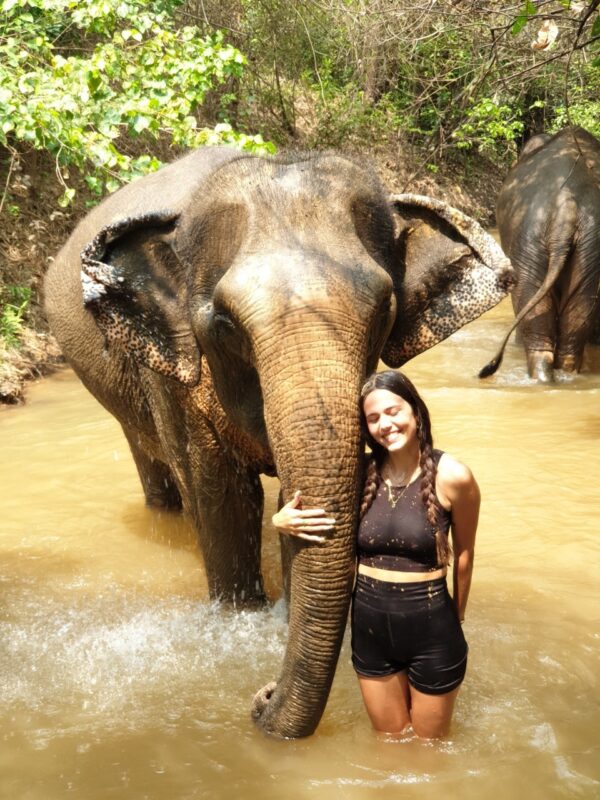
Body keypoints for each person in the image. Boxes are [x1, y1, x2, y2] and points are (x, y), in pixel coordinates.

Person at [272, 369, 480, 739]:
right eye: (373, 419)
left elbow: (464, 552)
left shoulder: (453, 476)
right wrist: (280, 519)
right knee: (389, 746)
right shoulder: (361, 473)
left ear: (416, 411)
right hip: (370, 633)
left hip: (432, 633)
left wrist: (456, 619)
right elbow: (303, 506)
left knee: (429, 754)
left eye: (393, 411)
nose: (385, 424)